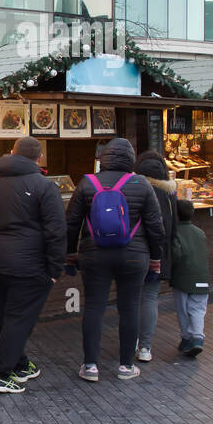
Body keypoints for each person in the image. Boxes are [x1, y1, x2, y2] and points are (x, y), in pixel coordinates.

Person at [64, 137, 166, 381]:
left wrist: (70, 254)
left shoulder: (87, 183)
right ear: (130, 159)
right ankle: (126, 367)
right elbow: (156, 227)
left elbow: (71, 223)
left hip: (94, 255)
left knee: (94, 308)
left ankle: (90, 366)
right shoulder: (141, 184)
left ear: (104, 159)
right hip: (134, 256)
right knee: (129, 308)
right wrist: (156, 258)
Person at [0, 136, 66, 394]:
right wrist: (55, 268)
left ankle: (20, 364)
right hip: (30, 264)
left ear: (12, 152)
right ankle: (1, 375)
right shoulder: (44, 186)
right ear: (39, 159)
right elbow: (56, 232)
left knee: (8, 315)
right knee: (19, 318)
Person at [132, 150, 177, 362]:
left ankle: (130, 341)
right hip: (158, 254)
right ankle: (145, 348)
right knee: (150, 299)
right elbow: (173, 229)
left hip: (134, 252)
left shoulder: (133, 189)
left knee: (131, 298)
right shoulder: (169, 195)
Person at [170, 200, 209, 357]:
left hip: (183, 277)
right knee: (198, 309)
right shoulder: (200, 232)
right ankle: (198, 338)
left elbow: (176, 255)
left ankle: (186, 338)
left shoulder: (176, 233)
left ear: (176, 215)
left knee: (183, 309)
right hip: (202, 276)